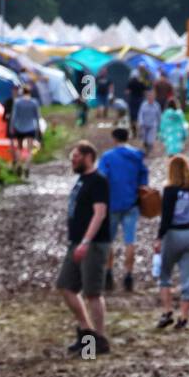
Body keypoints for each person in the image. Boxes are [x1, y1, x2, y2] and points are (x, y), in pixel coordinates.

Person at [56, 141, 111, 357]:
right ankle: (87, 332)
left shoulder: (98, 181)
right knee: (65, 286)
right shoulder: (82, 180)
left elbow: (100, 213)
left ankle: (98, 340)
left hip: (93, 244)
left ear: (88, 157)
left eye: (76, 157)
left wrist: (87, 241)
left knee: (92, 293)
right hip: (77, 242)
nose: (73, 160)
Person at [153, 154, 189, 330]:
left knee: (165, 274)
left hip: (174, 234)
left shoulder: (170, 191)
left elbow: (166, 218)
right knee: (188, 277)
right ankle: (184, 317)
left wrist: (159, 237)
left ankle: (167, 311)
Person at [98, 125, 148, 293]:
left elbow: (101, 178)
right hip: (132, 203)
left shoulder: (107, 157)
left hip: (112, 203)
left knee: (109, 240)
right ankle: (128, 275)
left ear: (114, 138)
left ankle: (108, 273)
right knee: (130, 240)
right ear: (128, 137)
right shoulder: (137, 155)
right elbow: (144, 180)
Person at [8, 85, 40, 179]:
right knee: (29, 150)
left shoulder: (17, 102)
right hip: (30, 128)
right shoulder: (34, 102)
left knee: (19, 148)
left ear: (22, 92)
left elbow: (14, 116)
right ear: (30, 92)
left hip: (19, 127)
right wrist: (38, 129)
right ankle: (26, 166)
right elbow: (37, 117)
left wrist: (11, 127)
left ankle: (19, 163)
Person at [137, 89, 162, 155]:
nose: (150, 97)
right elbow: (140, 114)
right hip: (144, 125)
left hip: (153, 125)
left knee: (150, 140)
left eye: (152, 96)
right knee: (144, 140)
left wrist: (160, 125)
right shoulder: (143, 105)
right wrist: (140, 122)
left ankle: (148, 151)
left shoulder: (157, 105)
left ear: (154, 97)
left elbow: (159, 116)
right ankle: (146, 148)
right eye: (149, 96)